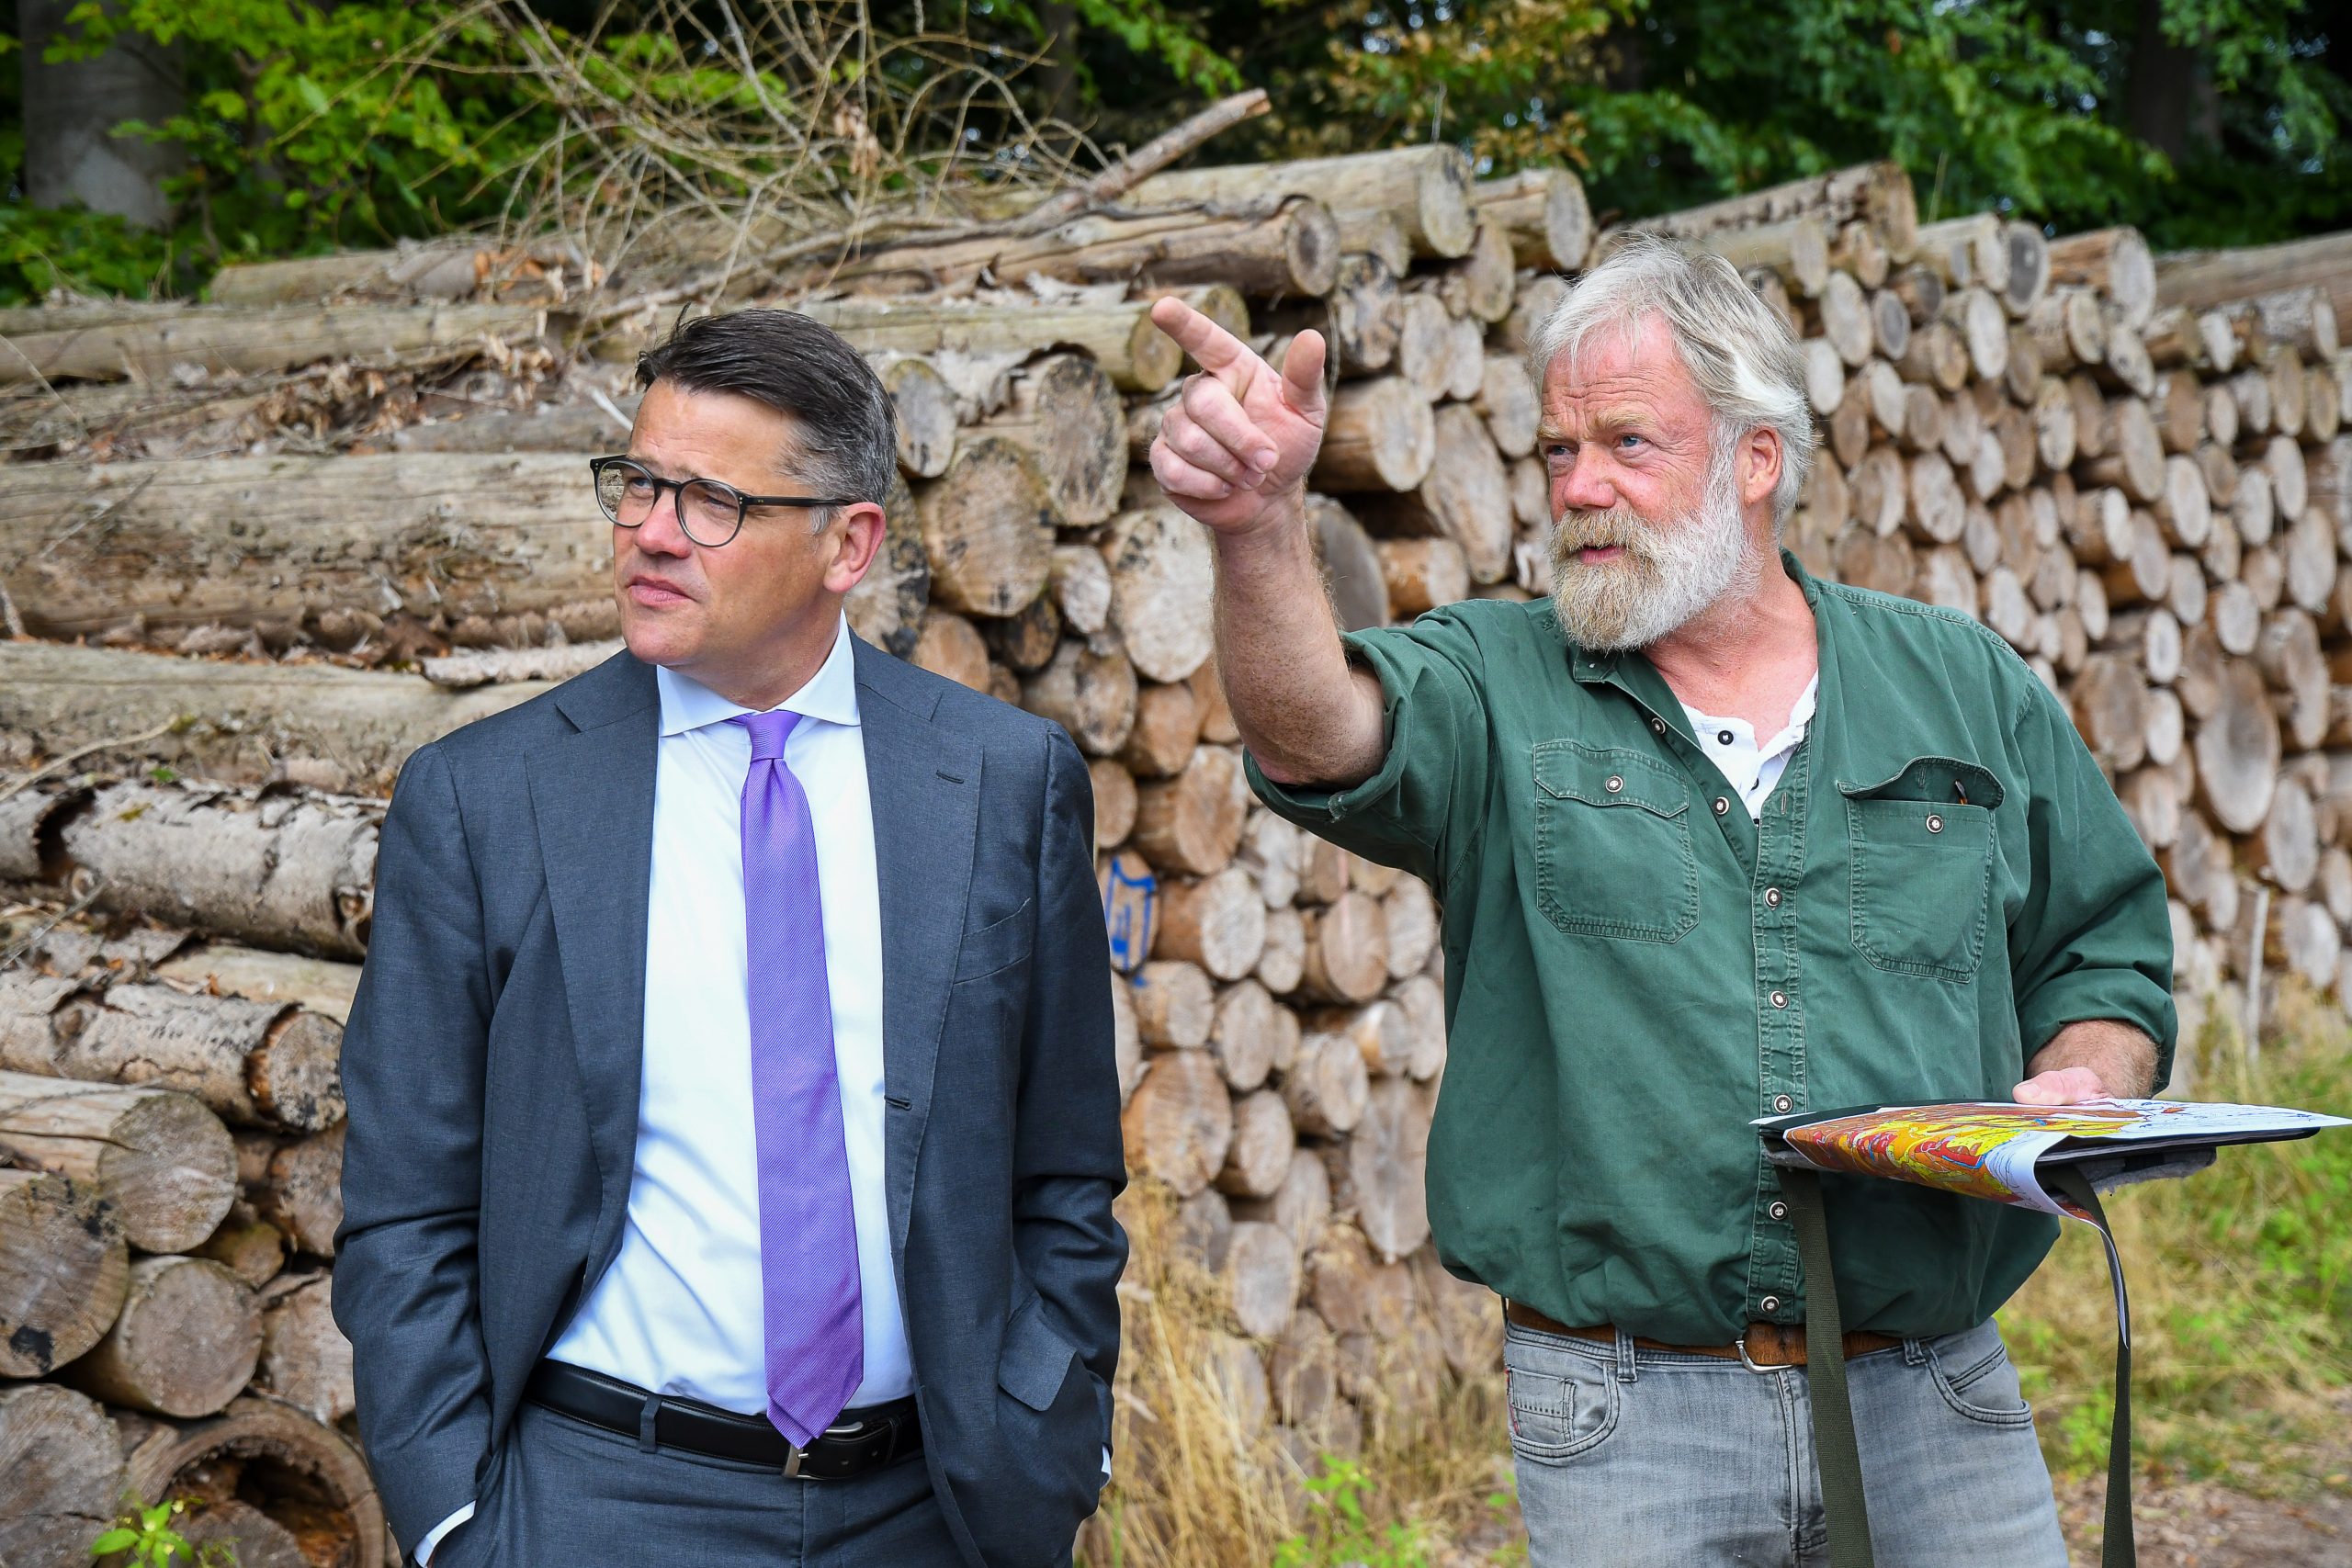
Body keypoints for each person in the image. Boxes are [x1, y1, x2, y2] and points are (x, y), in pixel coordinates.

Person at [1145, 237, 2174, 1567]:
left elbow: (2103, 953)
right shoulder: (1497, 680)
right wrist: (1256, 529)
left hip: (1934, 1394)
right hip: (1628, 1417)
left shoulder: (1961, 684)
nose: (1580, 487)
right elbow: (1318, 735)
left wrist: (2089, 1075)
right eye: (1559, 451)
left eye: (1628, 443)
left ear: (1756, 460)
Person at [334, 308, 1125, 1568]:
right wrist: (452, 1523)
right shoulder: (487, 799)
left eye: (712, 501)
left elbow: (1066, 1165)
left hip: (937, 1508)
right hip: (596, 1506)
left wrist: (1056, 1436)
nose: (653, 531)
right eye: (639, 483)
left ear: (847, 544)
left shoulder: (1002, 781)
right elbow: (406, 1204)